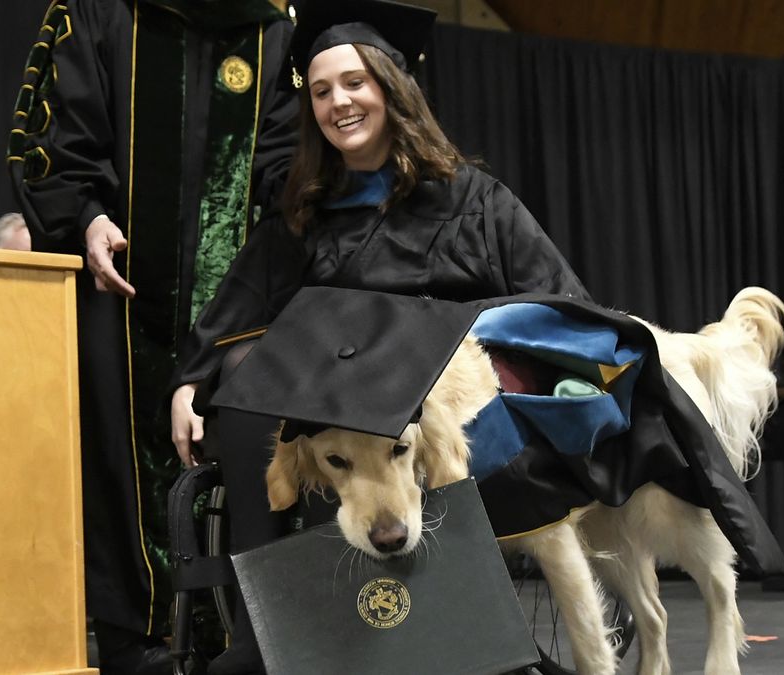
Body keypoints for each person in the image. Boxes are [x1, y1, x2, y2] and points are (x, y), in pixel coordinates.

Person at [167, 1, 591, 671]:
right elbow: (240, 302)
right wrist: (193, 377)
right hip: (342, 415)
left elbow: (556, 304)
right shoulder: (307, 213)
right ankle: (267, 631)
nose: (339, 102)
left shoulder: (474, 201)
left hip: (447, 408)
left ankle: (472, 635)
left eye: (356, 83)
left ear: (392, 87)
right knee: (248, 373)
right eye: (324, 90)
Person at [7, 1, 298, 672]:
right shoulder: (99, 10)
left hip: (241, 312)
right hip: (119, 296)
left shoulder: (274, 28)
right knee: (119, 464)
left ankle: (243, 644)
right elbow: (52, 144)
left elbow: (290, 168)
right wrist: (87, 217)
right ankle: (137, 643)